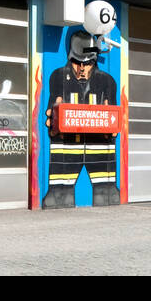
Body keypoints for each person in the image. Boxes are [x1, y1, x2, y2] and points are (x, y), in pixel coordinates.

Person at [42, 30, 119, 208]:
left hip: (98, 147)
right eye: (77, 62)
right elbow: (52, 109)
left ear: (94, 62)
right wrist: (53, 117)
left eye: (88, 63)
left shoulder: (107, 81)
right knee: (59, 192)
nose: (82, 68)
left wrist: (111, 124)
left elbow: (113, 115)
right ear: (71, 59)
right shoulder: (58, 76)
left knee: (105, 191)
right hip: (66, 147)